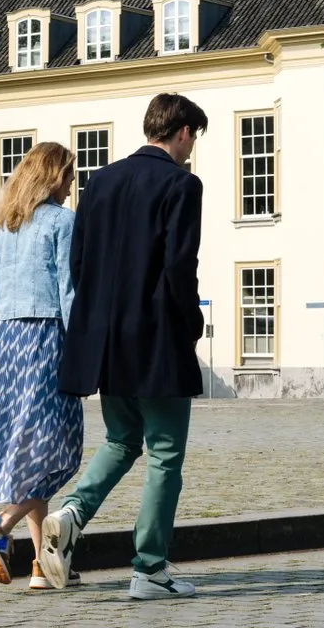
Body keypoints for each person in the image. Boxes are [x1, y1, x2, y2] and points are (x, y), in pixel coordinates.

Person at [39, 93, 208, 601]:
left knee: (120, 440)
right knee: (164, 452)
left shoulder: (99, 183)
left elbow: (79, 266)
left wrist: (94, 328)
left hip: (107, 342)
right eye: (193, 137)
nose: (191, 148)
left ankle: (71, 514)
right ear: (180, 132)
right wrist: (192, 322)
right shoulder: (182, 184)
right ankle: (150, 569)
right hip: (157, 340)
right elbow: (180, 267)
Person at [0, 141, 85, 591]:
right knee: (59, 449)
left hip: (6, 343)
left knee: (29, 449)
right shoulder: (63, 223)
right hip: (46, 337)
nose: (71, 186)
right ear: (51, 177)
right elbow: (69, 293)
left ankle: (41, 567)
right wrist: (83, 352)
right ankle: (1, 525)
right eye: (68, 176)